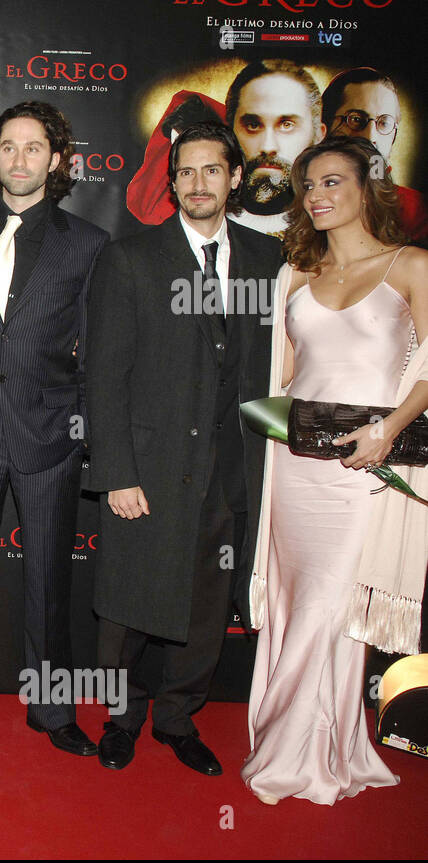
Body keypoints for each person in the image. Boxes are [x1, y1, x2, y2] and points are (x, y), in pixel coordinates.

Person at [87, 122, 281, 774]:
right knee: (128, 610)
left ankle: (176, 718)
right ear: (171, 183)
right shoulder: (131, 259)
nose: (198, 183)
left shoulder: (267, 262)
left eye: (211, 170)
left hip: (228, 473)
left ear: (233, 179)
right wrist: (115, 471)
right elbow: (104, 377)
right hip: (147, 469)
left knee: (204, 608)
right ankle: (121, 717)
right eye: (186, 172)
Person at [242, 136, 428, 804]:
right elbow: (283, 378)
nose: (318, 197)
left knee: (332, 605)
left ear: (365, 187)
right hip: (297, 467)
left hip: (368, 467)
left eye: (332, 183)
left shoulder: (410, 265)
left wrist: (389, 429)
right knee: (296, 604)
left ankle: (304, 752)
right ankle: (289, 739)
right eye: (309, 187)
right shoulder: (294, 274)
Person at [0, 101, 108, 755]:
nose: (20, 158)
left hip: (48, 434)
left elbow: (96, 346)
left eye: (34, 148)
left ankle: (52, 708)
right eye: (8, 147)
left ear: (56, 159)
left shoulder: (87, 244)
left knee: (49, 582)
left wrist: (83, 430)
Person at [321, 67, 428, 242]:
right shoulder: (297, 201)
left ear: (393, 135)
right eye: (355, 119)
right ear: (323, 127)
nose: (370, 137)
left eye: (383, 123)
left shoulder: (417, 214)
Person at [225, 59, 325, 238]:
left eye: (286, 125)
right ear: (230, 133)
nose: (268, 146)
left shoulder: (335, 229)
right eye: (253, 125)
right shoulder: (207, 223)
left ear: (318, 135)